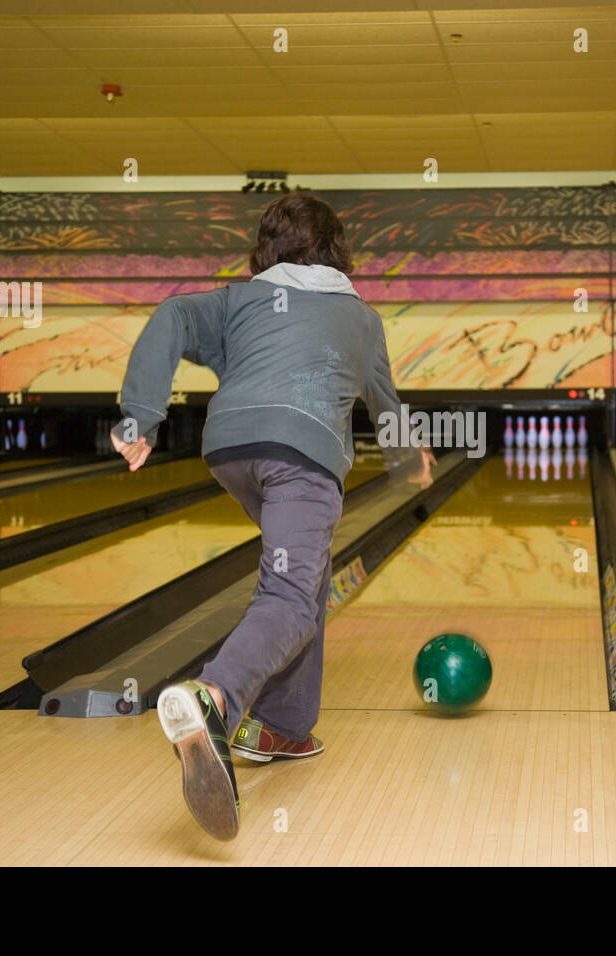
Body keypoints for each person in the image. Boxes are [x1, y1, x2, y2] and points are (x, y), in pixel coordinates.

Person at [110, 191, 434, 841]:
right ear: (339, 252)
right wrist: (410, 460)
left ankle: (284, 726)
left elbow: (172, 314)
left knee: (302, 574)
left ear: (266, 250)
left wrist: (139, 415)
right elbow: (384, 402)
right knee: (288, 595)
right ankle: (216, 699)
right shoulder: (362, 320)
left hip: (229, 444)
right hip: (301, 456)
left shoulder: (240, 298)